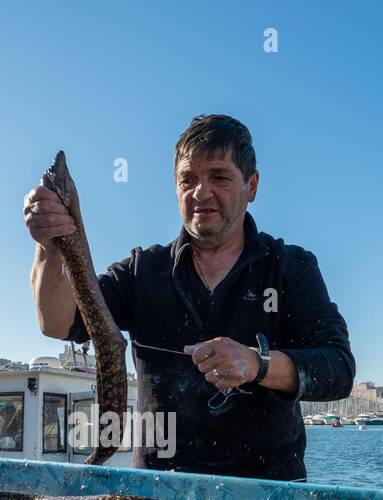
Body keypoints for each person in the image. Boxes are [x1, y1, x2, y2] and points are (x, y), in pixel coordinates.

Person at [24, 114, 356, 480]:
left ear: (252, 185)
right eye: (188, 179)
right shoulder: (141, 272)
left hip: (269, 498)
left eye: (219, 177)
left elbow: (337, 370)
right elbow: (57, 322)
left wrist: (256, 364)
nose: (201, 192)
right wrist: (49, 248)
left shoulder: (291, 268)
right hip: (160, 492)